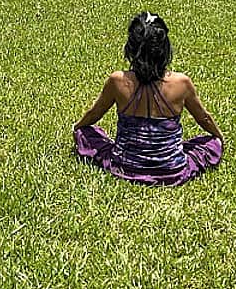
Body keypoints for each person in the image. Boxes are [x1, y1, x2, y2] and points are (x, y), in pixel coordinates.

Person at [73, 12, 224, 186]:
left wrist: (78, 128)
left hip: (125, 166)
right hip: (171, 170)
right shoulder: (181, 83)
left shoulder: (118, 80)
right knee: (211, 144)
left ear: (130, 48)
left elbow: (94, 113)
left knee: (87, 135)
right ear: (164, 48)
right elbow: (203, 117)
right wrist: (219, 137)